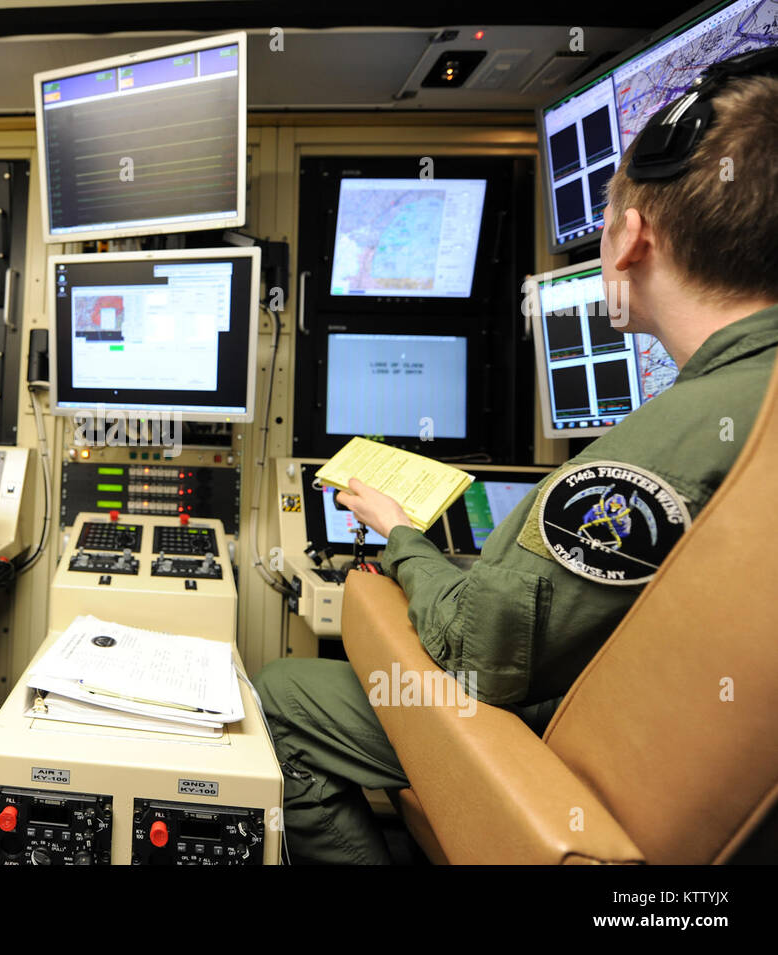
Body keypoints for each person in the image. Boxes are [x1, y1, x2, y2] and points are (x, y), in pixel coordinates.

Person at [254, 64, 778, 863]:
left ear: (632, 238)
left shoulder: (672, 438)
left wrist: (401, 537)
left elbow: (475, 649)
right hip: (671, 759)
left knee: (286, 690)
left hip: (562, 755)